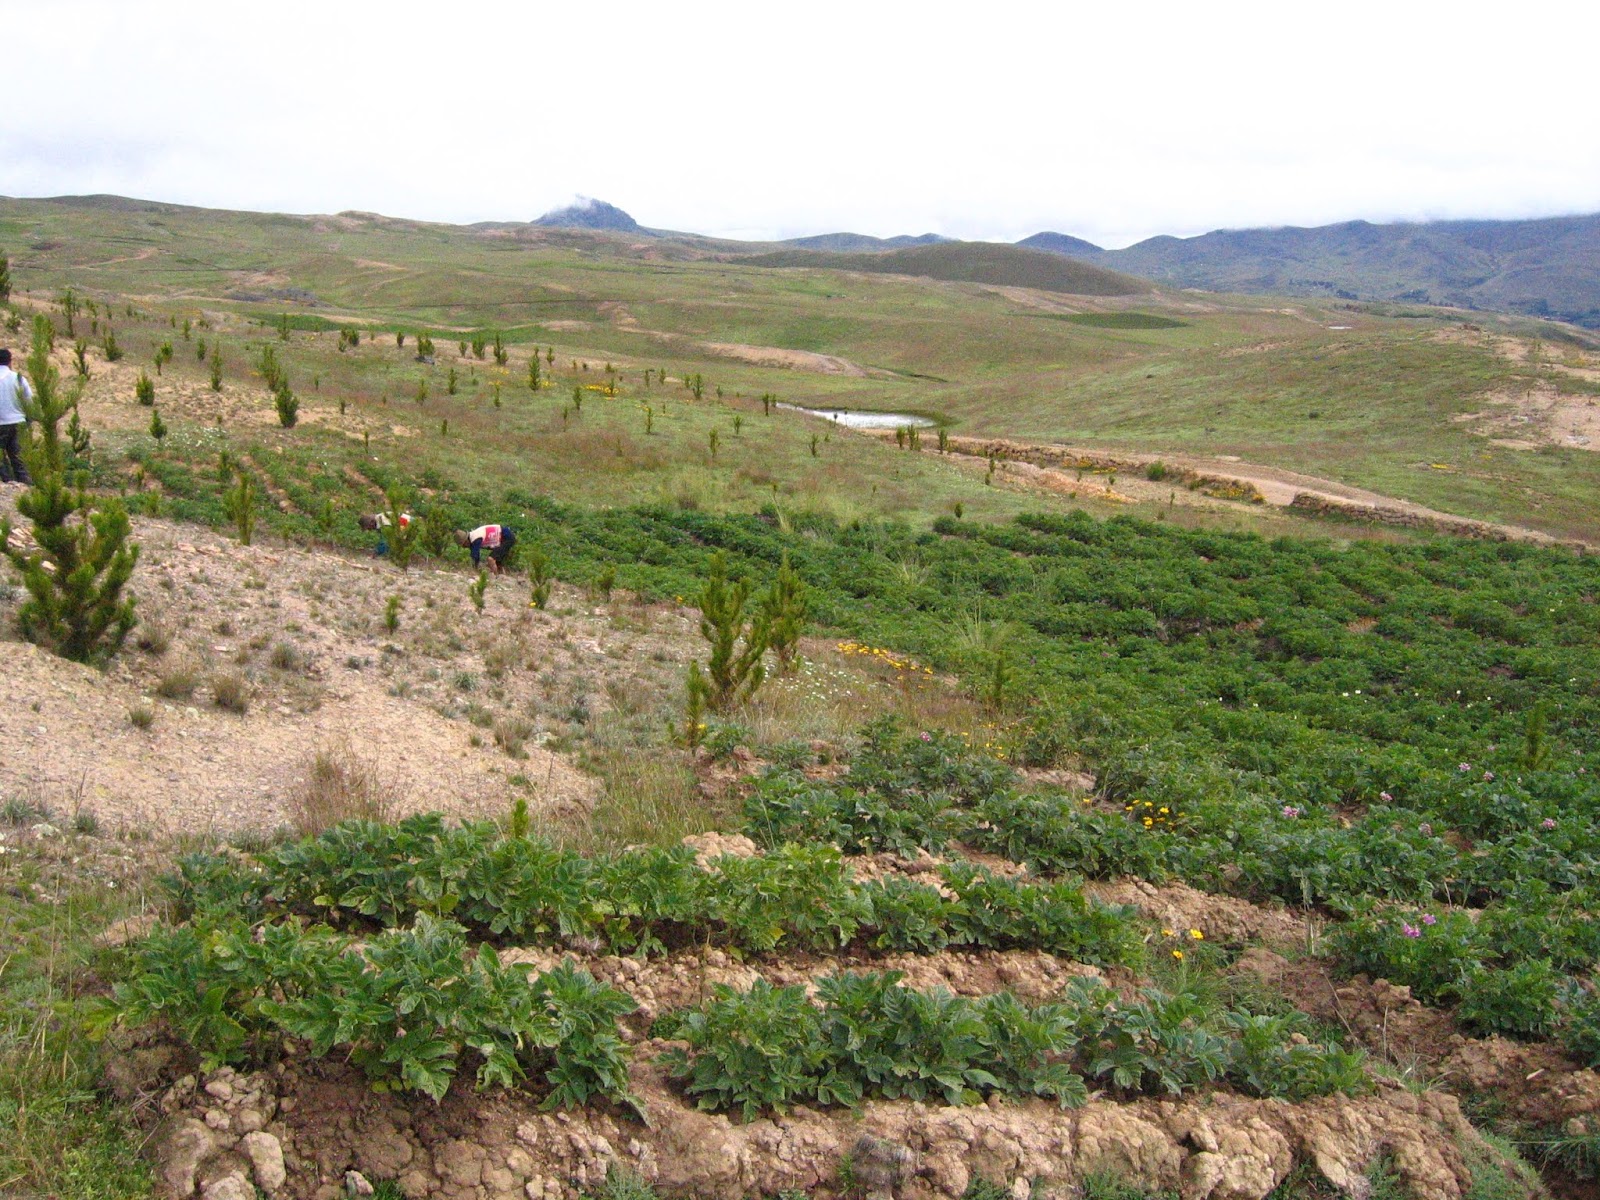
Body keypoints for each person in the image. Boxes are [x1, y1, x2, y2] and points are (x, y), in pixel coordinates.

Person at [0, 349, 33, 485]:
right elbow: (29, 399)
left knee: (1, 458)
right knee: (19, 458)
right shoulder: (18, 378)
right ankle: (25, 485)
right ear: (10, 361)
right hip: (19, 422)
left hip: (1, 423)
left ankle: (7, 482)